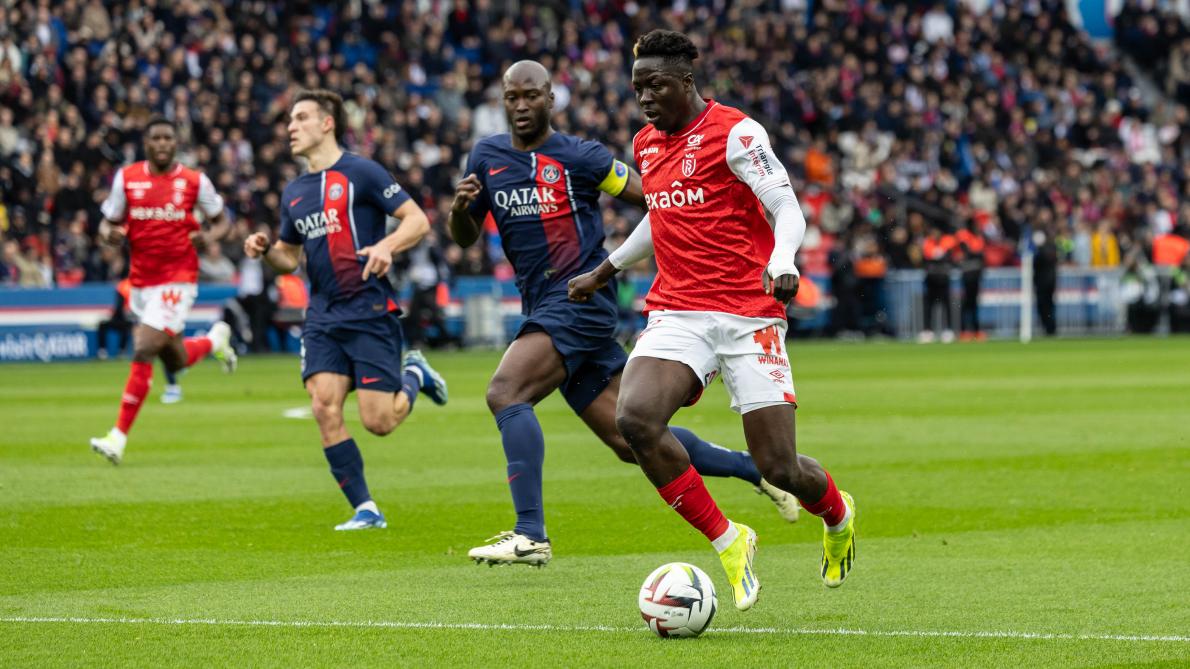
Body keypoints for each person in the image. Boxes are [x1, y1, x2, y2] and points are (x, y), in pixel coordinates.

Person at [450, 60, 800, 567]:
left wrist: (625, 263)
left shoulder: (581, 156)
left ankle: (530, 534)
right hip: (551, 305)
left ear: (552, 98)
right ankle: (753, 471)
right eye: (512, 97)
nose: (521, 106)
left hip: (578, 304)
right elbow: (465, 235)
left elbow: (656, 200)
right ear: (503, 101)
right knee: (627, 437)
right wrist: (461, 212)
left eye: (531, 96)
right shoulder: (486, 157)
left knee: (505, 392)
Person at [569, 31, 856, 610]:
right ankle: (729, 540)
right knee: (636, 419)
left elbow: (785, 205)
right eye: (637, 88)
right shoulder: (647, 144)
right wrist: (606, 269)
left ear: (687, 82)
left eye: (657, 85)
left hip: (749, 313)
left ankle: (838, 513)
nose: (645, 97)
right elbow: (660, 214)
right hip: (679, 308)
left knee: (779, 466)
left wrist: (782, 260)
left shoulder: (738, 133)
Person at [243, 89, 447, 531]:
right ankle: (366, 509)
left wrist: (387, 246)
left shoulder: (362, 171)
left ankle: (415, 375)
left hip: (368, 309)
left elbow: (417, 219)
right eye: (290, 121)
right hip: (322, 317)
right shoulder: (295, 192)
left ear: (327, 123)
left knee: (379, 422)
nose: (290, 127)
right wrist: (265, 251)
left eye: (300, 118)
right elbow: (287, 257)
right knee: (324, 407)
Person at [89, 116, 238, 465]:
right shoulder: (126, 179)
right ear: (146, 143)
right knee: (176, 357)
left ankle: (118, 437)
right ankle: (216, 340)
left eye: (167, 138)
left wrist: (209, 237)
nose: (161, 143)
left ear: (175, 143)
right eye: (155, 137)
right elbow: (106, 223)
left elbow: (222, 222)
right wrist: (106, 234)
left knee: (143, 346)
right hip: (141, 281)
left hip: (179, 279)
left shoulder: (194, 181)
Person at [920, 222, 956, 343]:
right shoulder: (927, 242)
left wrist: (940, 255)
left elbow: (949, 256)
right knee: (929, 306)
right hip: (931, 279)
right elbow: (927, 257)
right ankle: (927, 331)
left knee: (946, 305)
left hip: (943, 279)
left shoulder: (947, 241)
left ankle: (948, 330)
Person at [955, 219, 986, 341]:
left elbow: (979, 254)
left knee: (973, 304)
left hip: (976, 275)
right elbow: (969, 252)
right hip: (967, 274)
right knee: (966, 304)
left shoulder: (977, 238)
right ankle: (964, 331)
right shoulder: (965, 236)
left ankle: (975, 330)